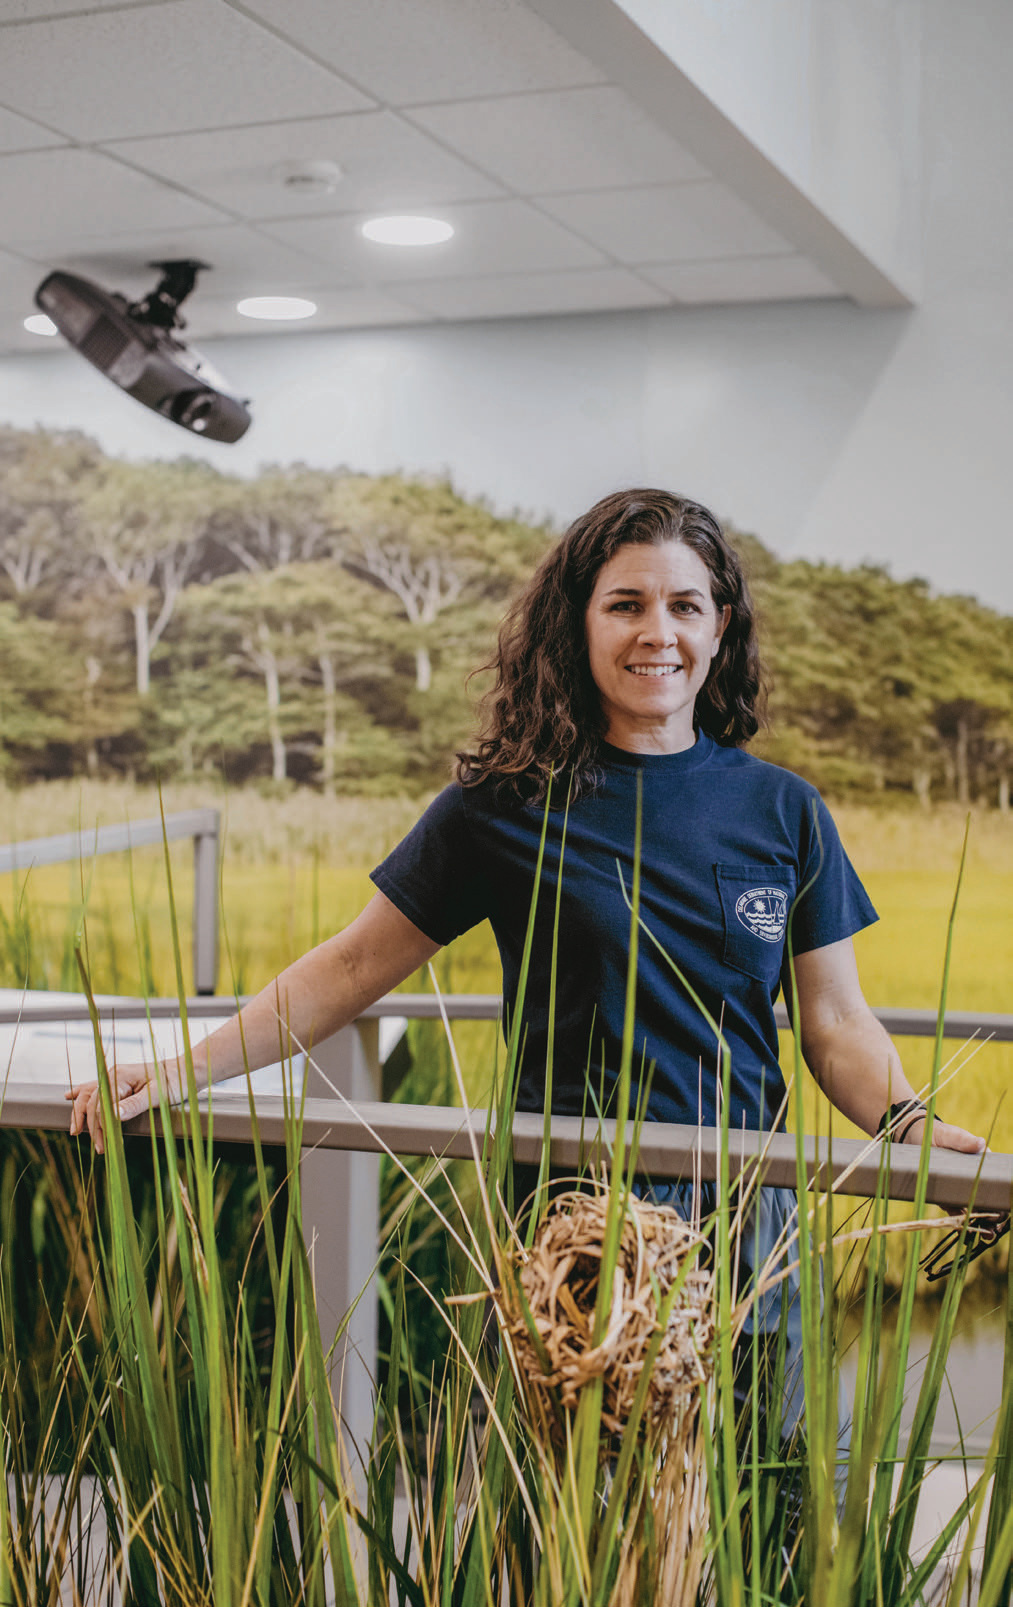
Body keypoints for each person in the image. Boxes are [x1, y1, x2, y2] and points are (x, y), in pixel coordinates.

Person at [67, 488, 986, 1446]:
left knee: (763, 1520)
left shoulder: (782, 811)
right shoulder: (502, 806)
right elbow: (348, 966)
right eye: (625, 603)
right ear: (578, 622)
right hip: (574, 1233)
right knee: (579, 1532)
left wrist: (907, 1122)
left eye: (684, 605)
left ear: (720, 628)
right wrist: (182, 1070)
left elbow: (833, 1023)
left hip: (751, 1236)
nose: (656, 632)